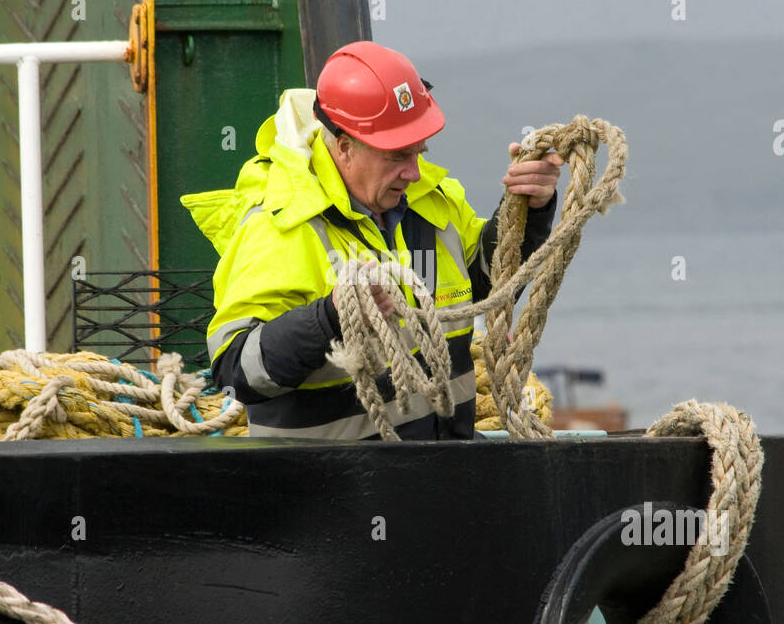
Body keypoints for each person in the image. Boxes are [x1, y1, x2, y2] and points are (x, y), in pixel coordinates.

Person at [180, 41, 562, 439]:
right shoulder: (279, 227)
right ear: (344, 147)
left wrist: (526, 210)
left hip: (442, 472)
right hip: (331, 488)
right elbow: (236, 371)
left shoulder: (432, 202)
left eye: (419, 151)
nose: (414, 172)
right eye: (397, 156)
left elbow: (488, 286)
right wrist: (331, 317)